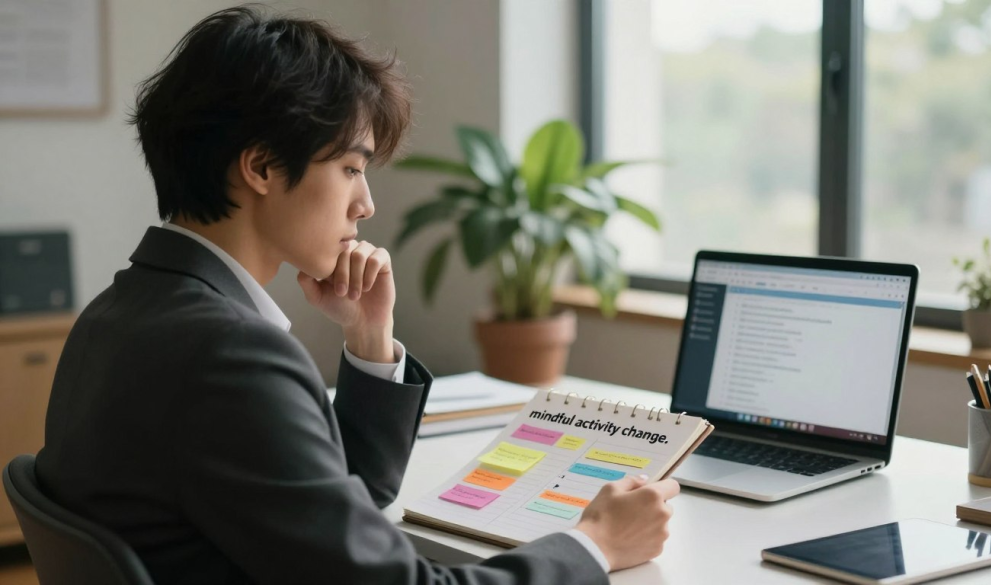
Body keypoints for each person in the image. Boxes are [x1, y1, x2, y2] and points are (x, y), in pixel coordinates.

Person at [35, 6, 680, 584]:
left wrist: (369, 340)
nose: (365, 204)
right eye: (350, 168)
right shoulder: (230, 355)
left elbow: (335, 517)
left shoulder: (120, 313)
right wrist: (593, 544)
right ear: (260, 167)